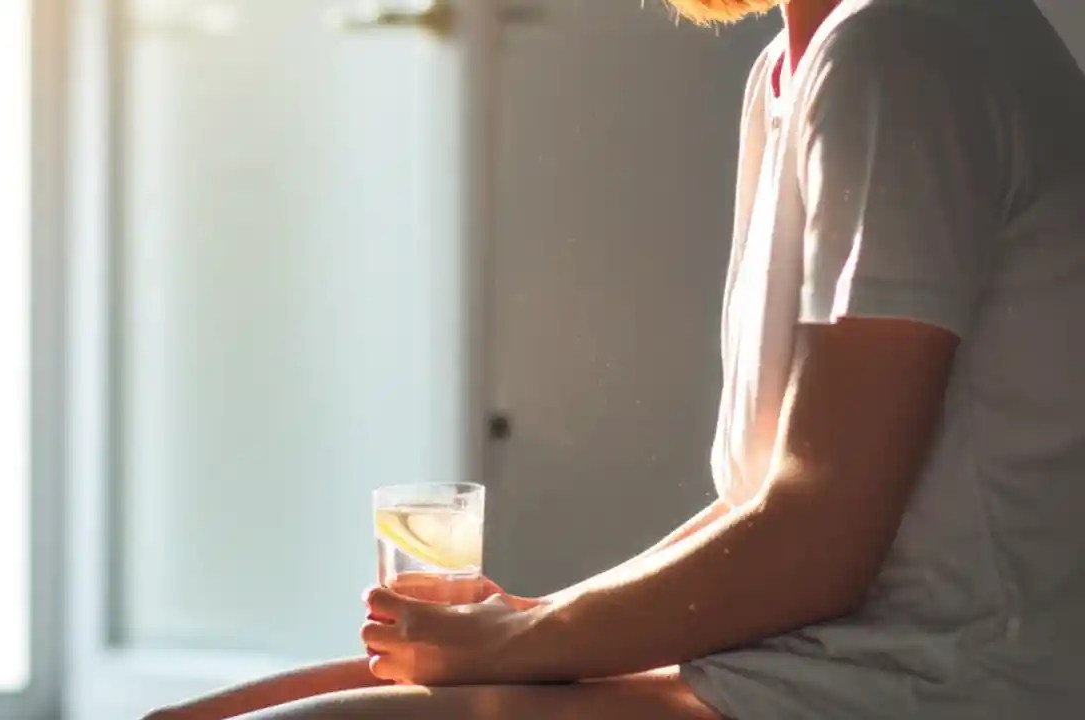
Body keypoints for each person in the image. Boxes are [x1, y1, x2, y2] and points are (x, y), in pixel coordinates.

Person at [147, 0, 1085, 717]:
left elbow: (820, 539)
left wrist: (519, 638)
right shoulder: (796, 69)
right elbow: (768, 503)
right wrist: (525, 621)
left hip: (927, 685)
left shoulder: (903, 50)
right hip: (822, 660)